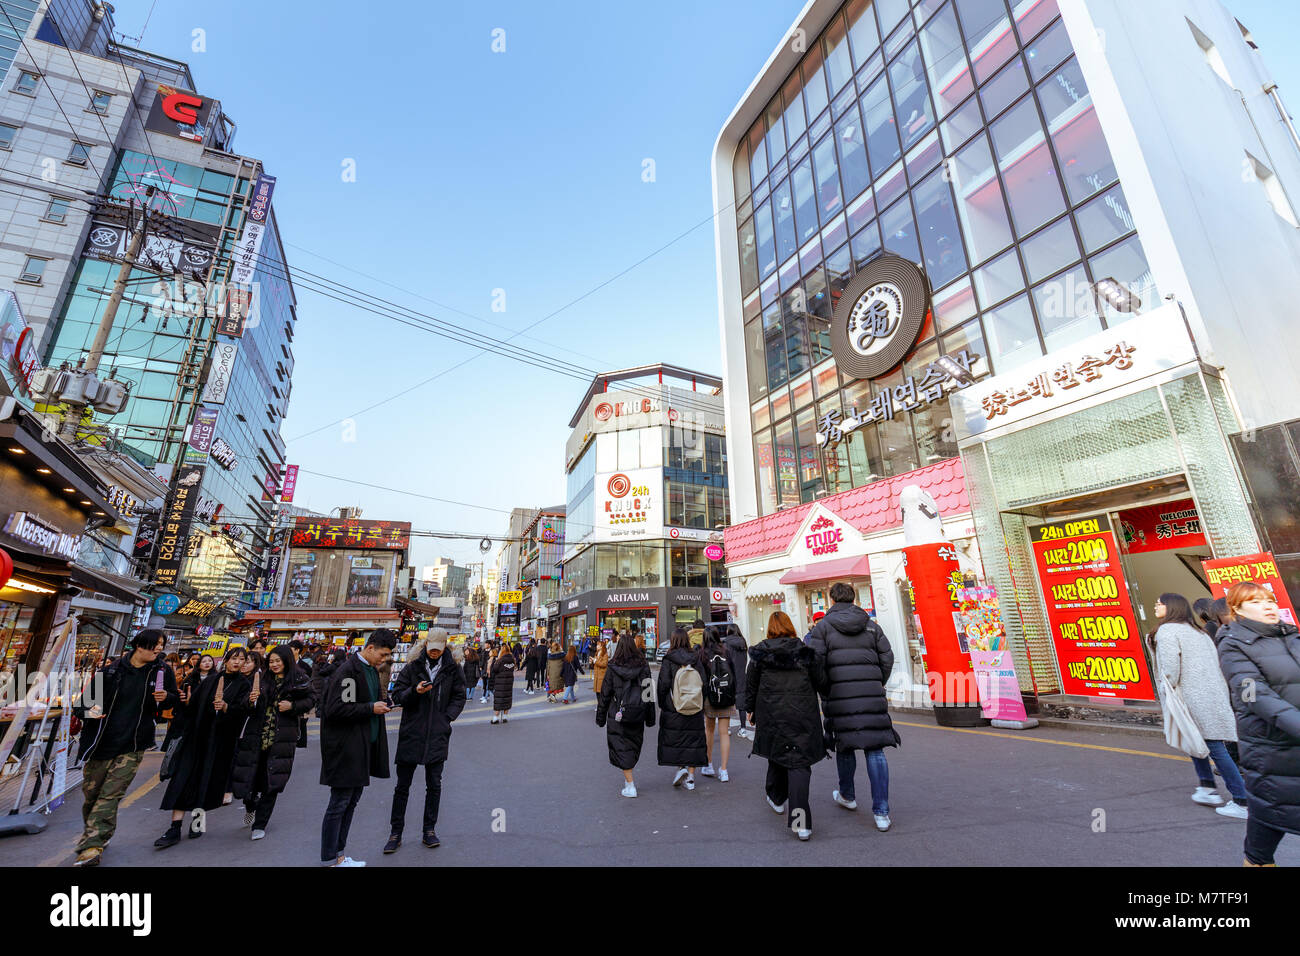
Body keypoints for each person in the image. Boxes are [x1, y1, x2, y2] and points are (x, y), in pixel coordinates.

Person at [72, 629, 178, 866]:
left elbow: (172, 699)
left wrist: (166, 698)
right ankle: (99, 833)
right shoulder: (110, 671)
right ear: (139, 645)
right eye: (155, 645)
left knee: (110, 795)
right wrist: (92, 712)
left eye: (162, 645)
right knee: (92, 795)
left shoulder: (161, 671)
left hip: (133, 743)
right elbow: (82, 706)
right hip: (100, 743)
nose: (159, 649)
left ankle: (91, 846)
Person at [1217, 582, 1300, 866]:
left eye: (1270, 600)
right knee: (1271, 811)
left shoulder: (1291, 636)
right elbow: (1254, 694)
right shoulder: (1232, 644)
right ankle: (1256, 861)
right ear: (1237, 610)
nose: (1268, 606)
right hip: (1271, 746)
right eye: (1256, 602)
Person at [806, 581, 899, 832]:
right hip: (871, 695)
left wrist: (825, 688)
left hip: (838, 696)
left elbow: (815, 663)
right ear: (854, 598)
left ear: (831, 599)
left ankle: (847, 794)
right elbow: (887, 657)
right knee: (875, 749)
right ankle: (881, 812)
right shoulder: (871, 626)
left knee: (844, 745)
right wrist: (877, 680)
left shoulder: (823, 627)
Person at [1151, 592, 1247, 818]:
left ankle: (1242, 800)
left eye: (1159, 604)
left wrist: (1168, 689)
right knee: (1197, 739)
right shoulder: (1199, 632)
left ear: (1171, 607)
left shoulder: (1167, 631)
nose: (1155, 606)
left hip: (1191, 696)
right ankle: (1207, 786)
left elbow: (1171, 670)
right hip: (1212, 694)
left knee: (1214, 746)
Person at [154, 647, 252, 849]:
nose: (238, 662)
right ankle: (174, 826)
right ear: (226, 660)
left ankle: (197, 821)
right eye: (234, 658)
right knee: (182, 778)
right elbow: (192, 706)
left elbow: (244, 712)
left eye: (242, 659)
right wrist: (186, 702)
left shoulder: (245, 685)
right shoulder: (211, 681)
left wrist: (227, 708)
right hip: (196, 737)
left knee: (206, 780)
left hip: (220, 742)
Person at [318, 630, 395, 867]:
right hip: (346, 748)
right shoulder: (350, 672)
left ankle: (339, 855)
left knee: (349, 802)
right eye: (383, 654)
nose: (384, 659)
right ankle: (331, 857)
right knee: (340, 804)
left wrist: (380, 704)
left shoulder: (370, 670)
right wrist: (371, 708)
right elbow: (339, 709)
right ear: (370, 648)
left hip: (361, 747)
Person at [385, 629, 467, 853]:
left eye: (438, 650)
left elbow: (460, 695)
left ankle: (429, 830)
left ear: (444, 647)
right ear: (425, 645)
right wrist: (415, 690)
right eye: (431, 649)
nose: (433, 653)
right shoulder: (412, 667)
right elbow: (398, 695)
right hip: (412, 732)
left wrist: (447, 718)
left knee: (434, 785)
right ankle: (395, 832)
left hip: (437, 734)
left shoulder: (452, 669)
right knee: (402, 786)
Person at [745, 611, 825, 840]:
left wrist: (750, 709)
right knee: (799, 763)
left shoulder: (761, 653)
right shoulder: (805, 652)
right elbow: (821, 682)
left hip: (771, 713)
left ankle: (777, 797)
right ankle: (801, 823)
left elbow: (751, 683)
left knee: (777, 752)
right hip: (802, 714)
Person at [230, 645, 314, 840]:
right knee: (249, 778)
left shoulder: (299, 678)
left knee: (271, 783)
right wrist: (251, 701)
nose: (275, 664)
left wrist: (293, 706)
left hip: (281, 739)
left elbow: (311, 699)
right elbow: (245, 704)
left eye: (279, 661)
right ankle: (250, 803)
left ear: (287, 660)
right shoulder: (261, 678)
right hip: (256, 736)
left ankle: (260, 824)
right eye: (272, 661)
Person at [596, 634, 655, 797]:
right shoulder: (643, 666)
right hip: (638, 713)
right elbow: (649, 693)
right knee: (633, 745)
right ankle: (629, 780)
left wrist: (600, 718)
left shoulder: (613, 667)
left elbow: (605, 694)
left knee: (621, 747)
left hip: (618, 714)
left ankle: (630, 784)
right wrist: (650, 717)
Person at [656, 627, 708, 791]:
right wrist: (700, 702)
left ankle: (681, 768)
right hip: (694, 706)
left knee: (678, 740)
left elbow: (663, 686)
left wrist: (665, 706)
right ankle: (691, 777)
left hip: (675, 706)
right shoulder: (695, 658)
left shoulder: (669, 659)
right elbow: (703, 682)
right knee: (693, 741)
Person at [723, 624, 753, 740]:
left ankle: (728, 728)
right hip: (741, 675)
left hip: (729, 676)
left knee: (728, 703)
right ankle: (743, 729)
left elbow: (725, 661)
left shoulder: (726, 644)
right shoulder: (743, 643)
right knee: (741, 704)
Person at [490, 641, 516, 723]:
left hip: (500, 682)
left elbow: (495, 669)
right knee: (507, 698)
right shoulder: (512, 660)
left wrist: (496, 661)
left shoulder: (500, 660)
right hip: (509, 682)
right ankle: (505, 716)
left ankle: (495, 718)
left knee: (499, 698)